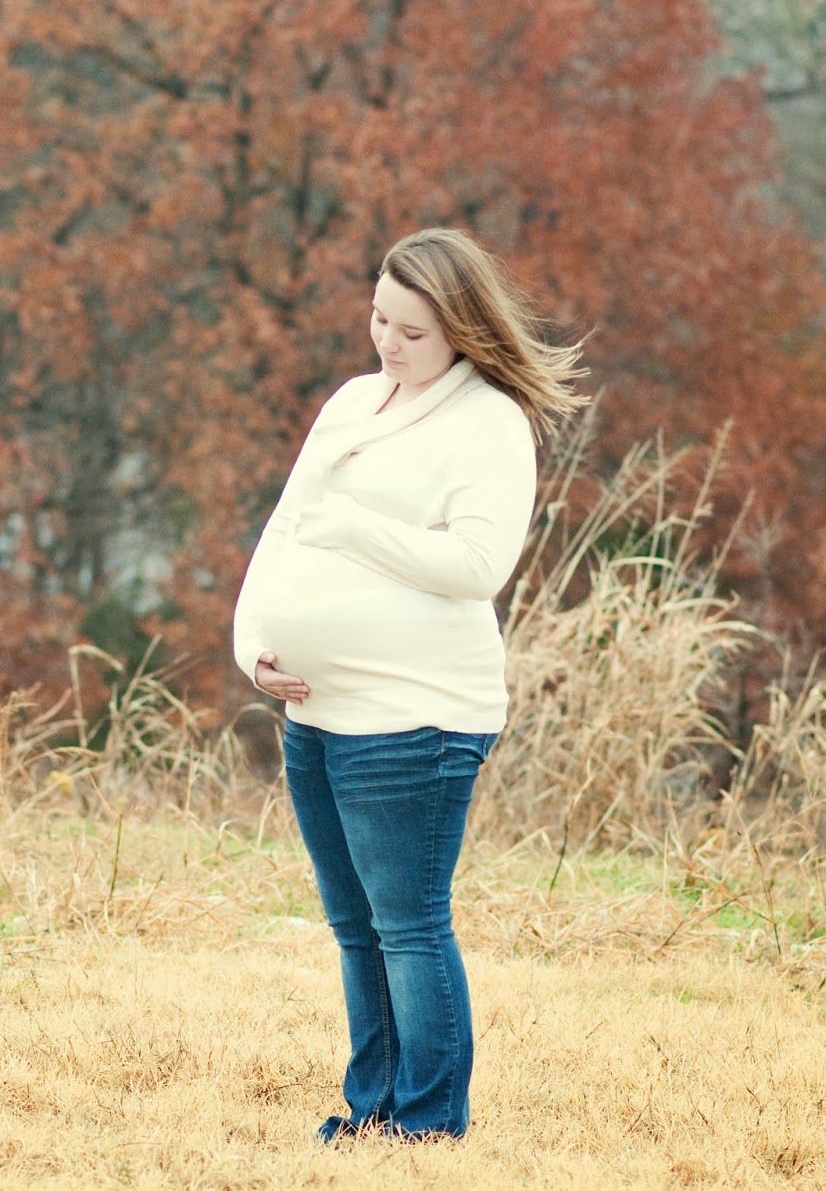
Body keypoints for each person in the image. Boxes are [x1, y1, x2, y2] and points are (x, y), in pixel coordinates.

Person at [232, 227, 586, 1142]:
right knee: (355, 926)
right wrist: (253, 646)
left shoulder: (490, 421)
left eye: (413, 330)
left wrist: (350, 525)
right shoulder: (354, 401)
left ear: (463, 330)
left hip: (417, 716)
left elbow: (477, 563)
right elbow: (284, 527)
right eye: (379, 318)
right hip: (317, 710)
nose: (388, 342)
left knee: (410, 926)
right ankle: (371, 1111)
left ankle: (428, 1125)